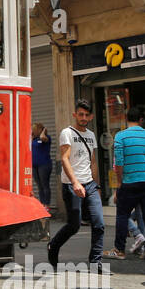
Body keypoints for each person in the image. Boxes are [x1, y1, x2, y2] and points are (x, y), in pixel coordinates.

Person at [46, 100, 105, 269]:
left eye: (87, 115)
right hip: (72, 185)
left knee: (99, 223)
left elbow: (92, 162)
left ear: (91, 116)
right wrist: (75, 182)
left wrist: (97, 186)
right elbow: (64, 158)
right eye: (81, 114)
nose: (84, 118)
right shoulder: (67, 133)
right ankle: (54, 245)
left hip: (90, 184)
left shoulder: (91, 135)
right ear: (75, 115)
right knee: (74, 225)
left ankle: (95, 262)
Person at [106, 107, 145, 260]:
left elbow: (119, 162)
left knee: (122, 215)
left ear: (126, 118)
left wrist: (120, 181)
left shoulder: (121, 136)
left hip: (130, 181)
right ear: (141, 120)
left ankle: (119, 250)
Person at [31, 122, 52, 209]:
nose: (33, 131)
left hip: (44, 165)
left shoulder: (46, 138)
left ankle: (47, 204)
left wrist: (44, 131)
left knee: (45, 185)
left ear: (40, 129)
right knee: (39, 186)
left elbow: (43, 137)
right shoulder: (34, 139)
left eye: (35, 129)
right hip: (34, 166)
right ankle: (42, 204)